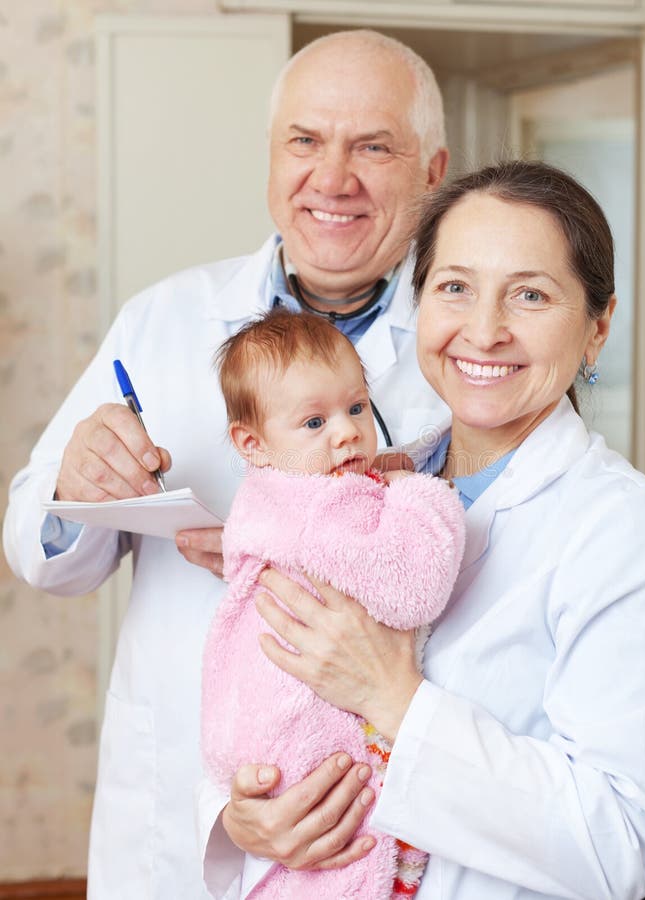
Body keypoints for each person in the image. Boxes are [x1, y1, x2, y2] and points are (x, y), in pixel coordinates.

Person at [2, 29, 449, 900]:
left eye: (372, 146)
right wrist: (71, 487)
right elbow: (37, 547)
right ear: (272, 157)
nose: (333, 179)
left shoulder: (460, 350)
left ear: (431, 170)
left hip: (363, 822)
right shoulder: (164, 320)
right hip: (177, 825)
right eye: (305, 141)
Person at [220, 161, 645, 900]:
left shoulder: (626, 532)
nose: (483, 331)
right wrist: (245, 820)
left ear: (597, 327)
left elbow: (618, 844)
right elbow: (249, 687)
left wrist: (394, 698)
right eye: (454, 287)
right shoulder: (352, 488)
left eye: (530, 294)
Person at [202, 309, 465, 900]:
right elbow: (414, 586)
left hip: (262, 745)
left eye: (356, 408)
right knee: (343, 856)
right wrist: (424, 497)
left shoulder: (271, 496)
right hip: (307, 743)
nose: (346, 432)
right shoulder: (316, 508)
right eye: (314, 421)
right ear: (253, 444)